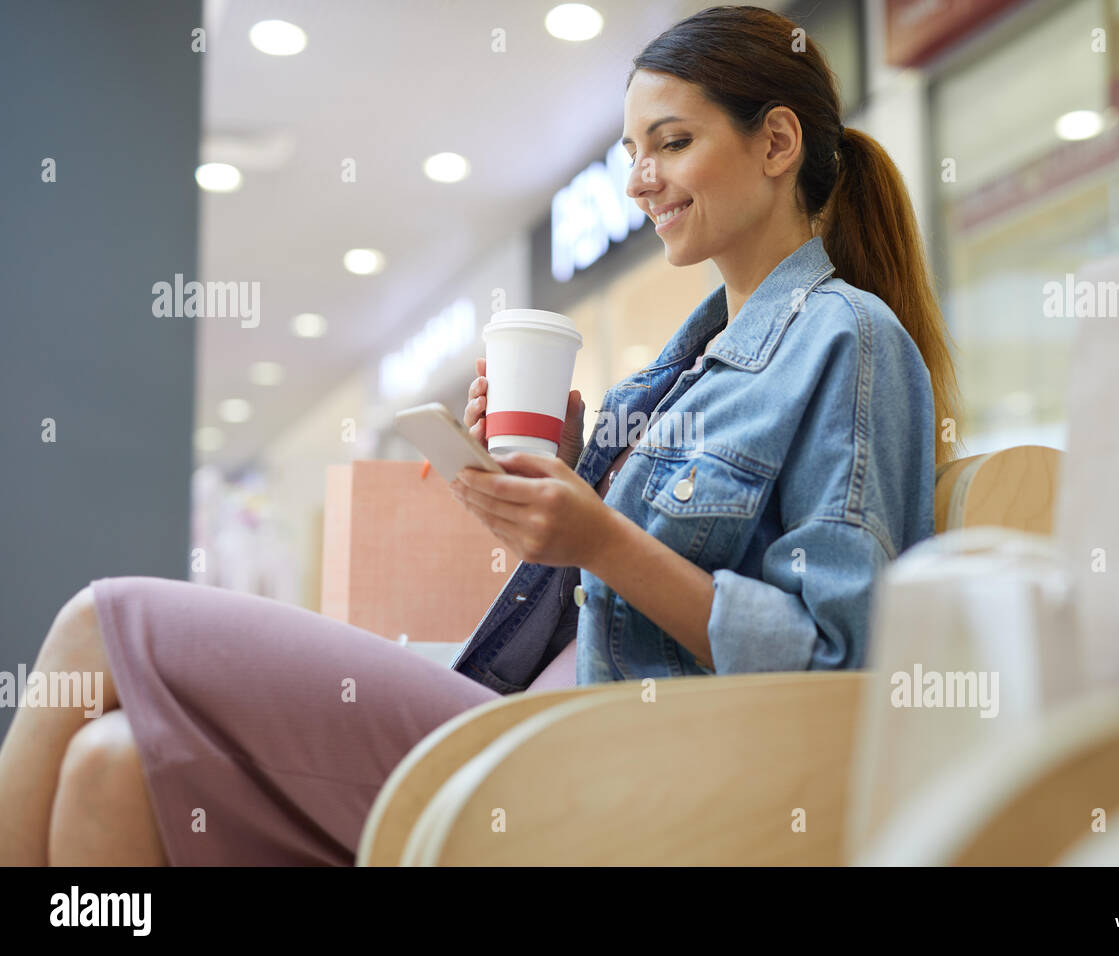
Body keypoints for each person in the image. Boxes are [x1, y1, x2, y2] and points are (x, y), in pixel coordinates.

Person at [0, 4, 959, 866]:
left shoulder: (851, 340)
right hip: (520, 712)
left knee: (98, 622)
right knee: (109, 764)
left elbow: (839, 664)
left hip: (592, 761)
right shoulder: (684, 368)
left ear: (776, 142)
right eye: (632, 151)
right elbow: (622, 570)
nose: (641, 181)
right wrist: (572, 476)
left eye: (669, 143)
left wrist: (599, 540)